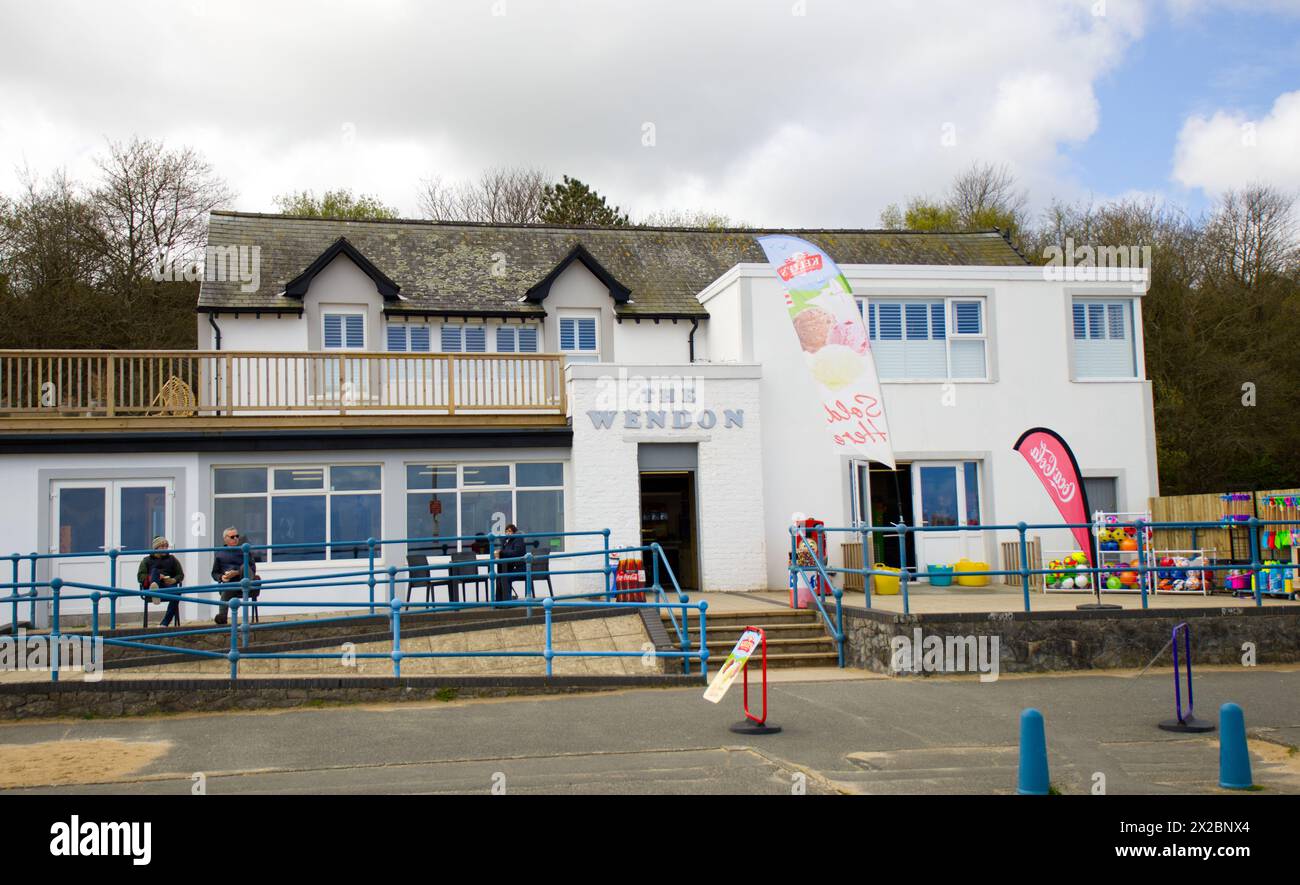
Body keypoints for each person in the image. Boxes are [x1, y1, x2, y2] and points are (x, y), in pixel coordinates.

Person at [211, 526, 259, 625]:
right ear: (225, 539)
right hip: (231, 583)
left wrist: (237, 572)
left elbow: (252, 569)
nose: (236, 538)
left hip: (246, 580)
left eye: (237, 536)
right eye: (232, 537)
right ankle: (222, 618)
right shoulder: (220, 554)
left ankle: (247, 585)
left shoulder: (244, 550)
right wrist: (222, 577)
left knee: (243, 566)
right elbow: (214, 573)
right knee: (227, 589)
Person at [137, 536, 184, 627]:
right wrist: (156, 577)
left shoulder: (172, 559)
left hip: (167, 585)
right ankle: (155, 591)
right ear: (156, 548)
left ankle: (164, 623)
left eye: (166, 546)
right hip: (151, 587)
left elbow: (180, 575)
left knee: (177, 593)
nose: (164, 549)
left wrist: (173, 580)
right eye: (162, 546)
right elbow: (140, 577)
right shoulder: (147, 560)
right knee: (155, 571)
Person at [496, 524, 527, 602]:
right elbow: (505, 553)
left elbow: (515, 553)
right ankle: (499, 602)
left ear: (514, 532)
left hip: (521, 568)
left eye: (509, 531)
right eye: (506, 531)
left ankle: (507, 601)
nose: (507, 533)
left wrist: (502, 552)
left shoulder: (518, 539)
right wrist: (503, 543)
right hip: (512, 566)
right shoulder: (508, 541)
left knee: (505, 577)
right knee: (499, 577)